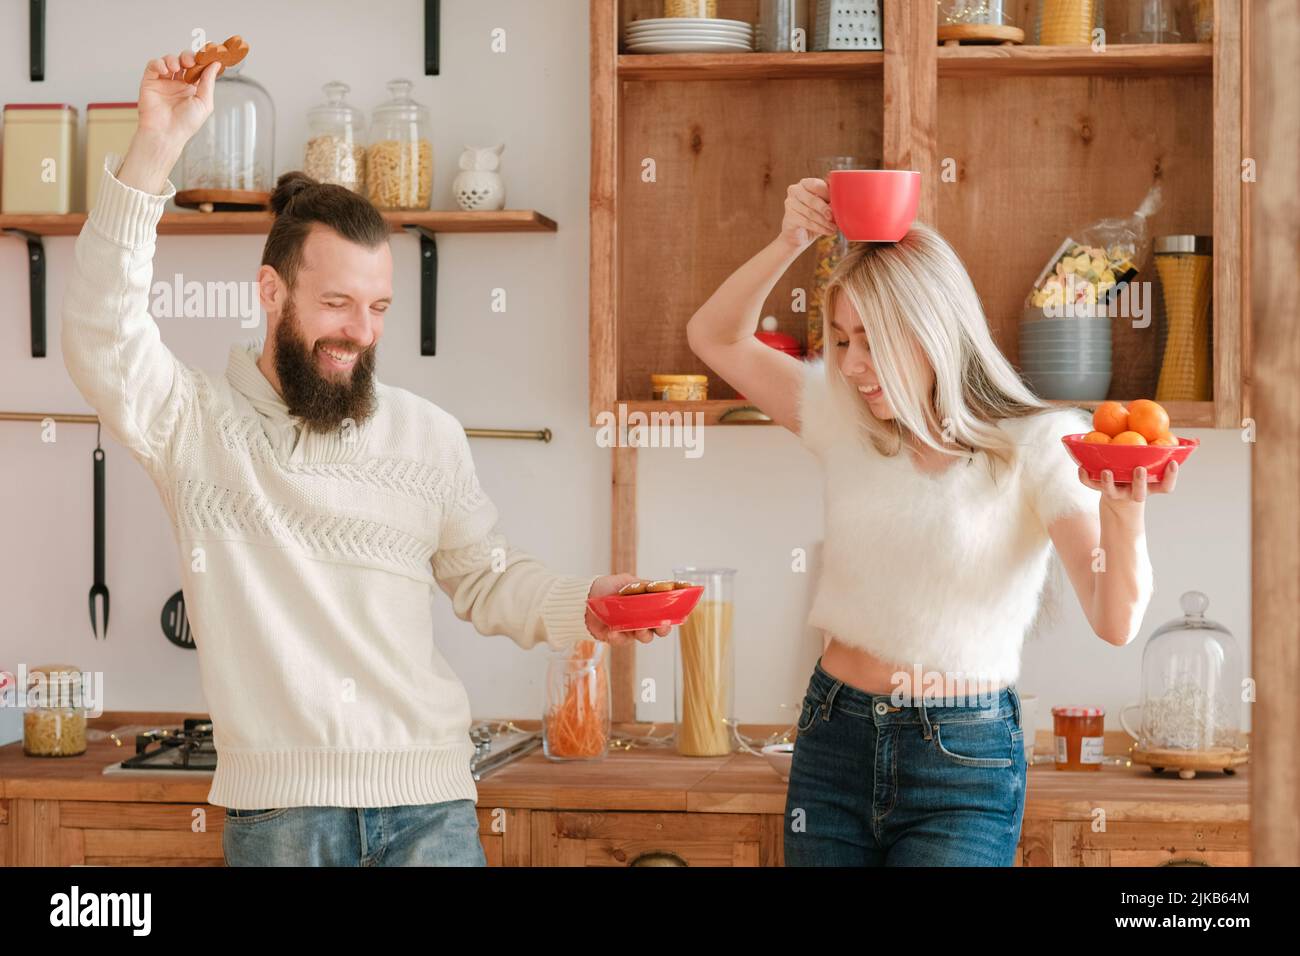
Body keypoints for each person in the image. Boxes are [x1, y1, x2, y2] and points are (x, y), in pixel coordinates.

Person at [61, 49, 668, 867]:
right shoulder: (191, 424)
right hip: (284, 818)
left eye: (379, 306)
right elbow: (101, 328)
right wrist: (155, 148)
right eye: (337, 303)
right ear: (271, 293)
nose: (361, 331)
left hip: (431, 810)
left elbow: (483, 576)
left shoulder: (426, 434)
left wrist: (583, 603)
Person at [686, 178, 1176, 866]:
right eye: (842, 338)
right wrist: (790, 241)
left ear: (932, 330)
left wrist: (1125, 510)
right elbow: (713, 336)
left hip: (963, 760)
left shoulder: (1036, 448)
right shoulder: (842, 419)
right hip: (834, 737)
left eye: (871, 340)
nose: (851, 365)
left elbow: (1115, 619)